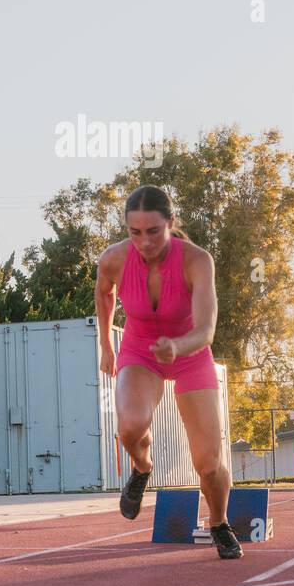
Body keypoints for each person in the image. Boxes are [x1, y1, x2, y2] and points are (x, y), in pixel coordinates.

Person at [94, 184, 242, 559]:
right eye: (135, 232)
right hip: (142, 349)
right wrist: (106, 345)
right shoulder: (113, 259)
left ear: (171, 223)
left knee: (208, 464)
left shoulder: (196, 260)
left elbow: (206, 330)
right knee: (129, 425)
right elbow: (104, 291)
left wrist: (177, 347)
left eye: (153, 231)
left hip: (190, 353)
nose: (144, 242)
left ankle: (219, 522)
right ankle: (142, 468)